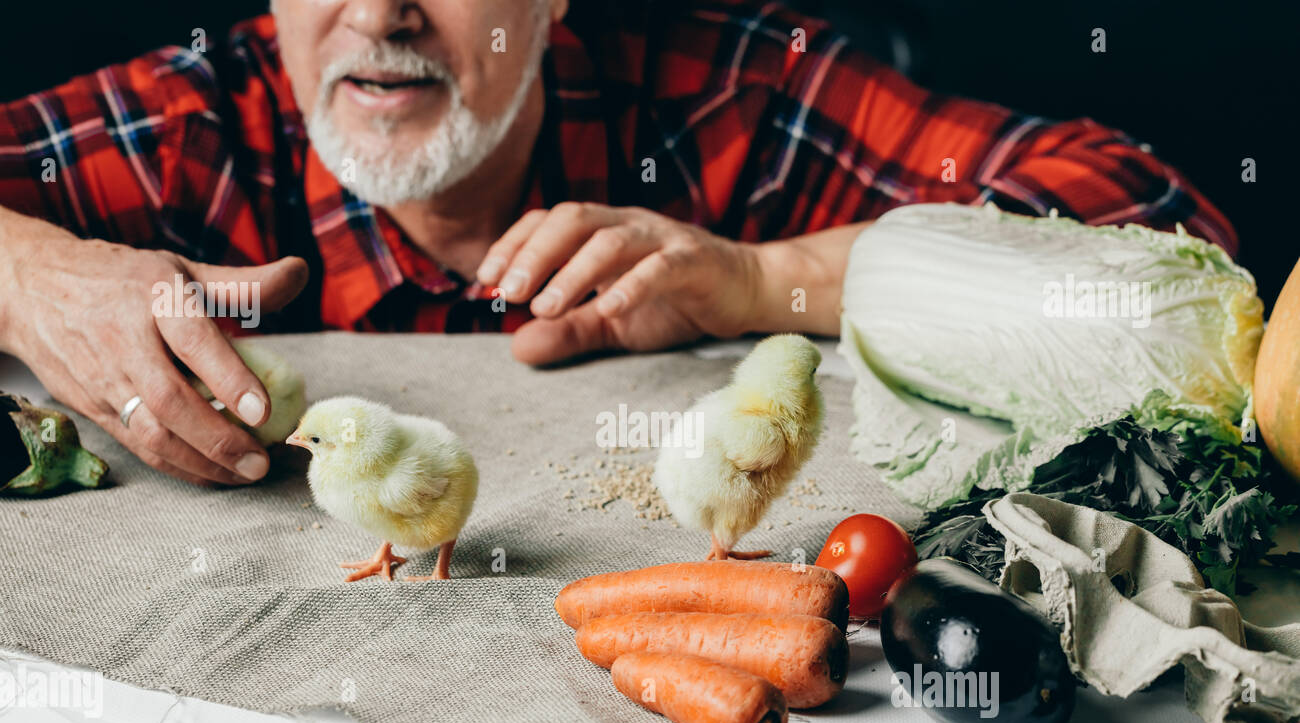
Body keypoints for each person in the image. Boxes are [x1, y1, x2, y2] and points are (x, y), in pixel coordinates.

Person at [0, 0, 1235, 486]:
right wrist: (31, 273)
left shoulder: (721, 91)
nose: (380, 13)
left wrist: (763, 279)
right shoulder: (192, 123)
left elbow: (1152, 214)